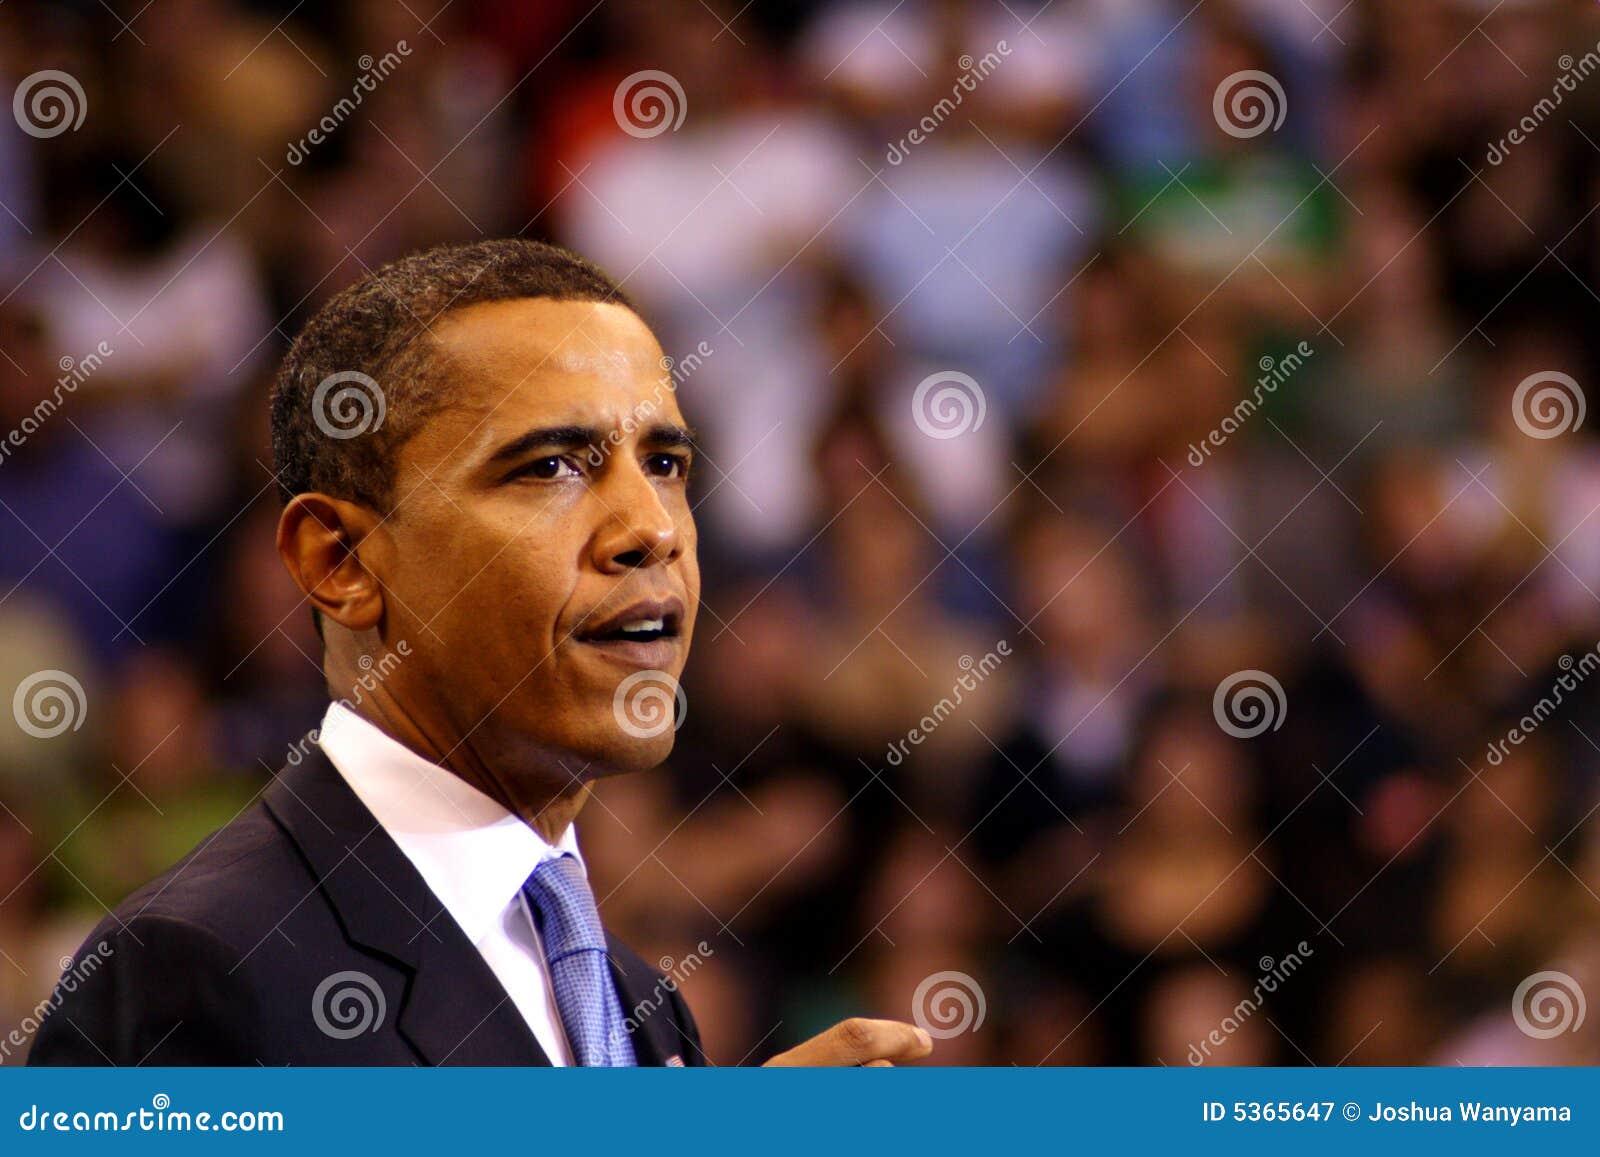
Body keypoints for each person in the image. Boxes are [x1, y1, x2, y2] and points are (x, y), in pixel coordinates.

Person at [27, 238, 934, 1068]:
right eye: (550, 467)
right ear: (340, 562)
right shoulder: (189, 970)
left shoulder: (646, 1010)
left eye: (665, 464)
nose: (652, 529)